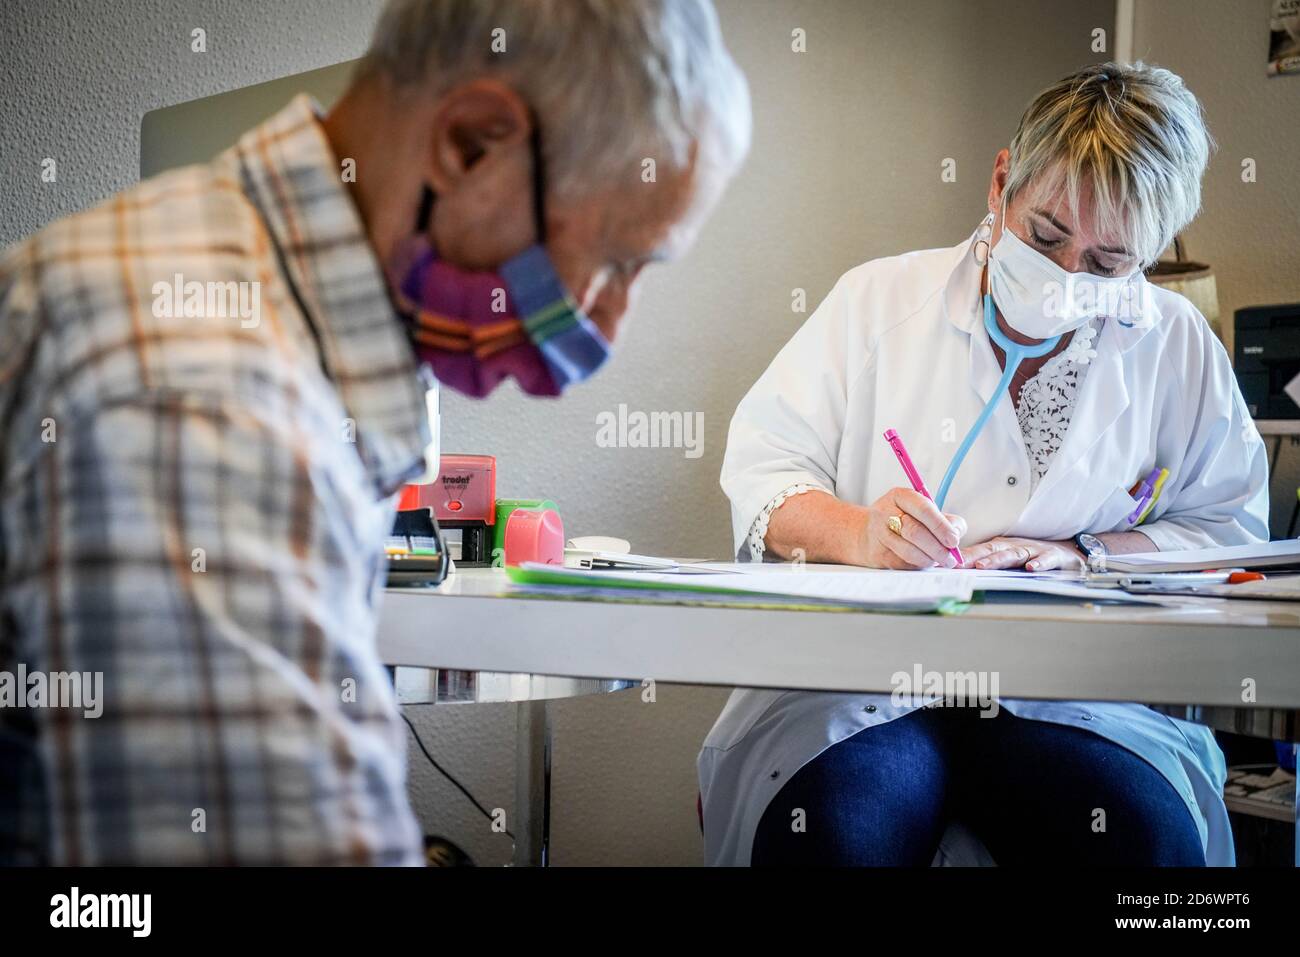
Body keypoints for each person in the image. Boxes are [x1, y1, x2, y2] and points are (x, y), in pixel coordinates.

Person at [0, 0, 750, 865]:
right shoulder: (209, 403)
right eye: (619, 261)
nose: (612, 326)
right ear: (469, 143)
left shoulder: (242, 287)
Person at [701, 62, 1265, 866]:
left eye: (1108, 263)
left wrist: (1088, 555)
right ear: (1002, 181)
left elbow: (1228, 531)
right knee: (836, 835)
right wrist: (861, 531)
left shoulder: (1175, 346)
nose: (1068, 276)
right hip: (865, 691)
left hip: (1076, 697)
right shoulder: (877, 303)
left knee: (1145, 842)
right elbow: (765, 472)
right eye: (1045, 236)